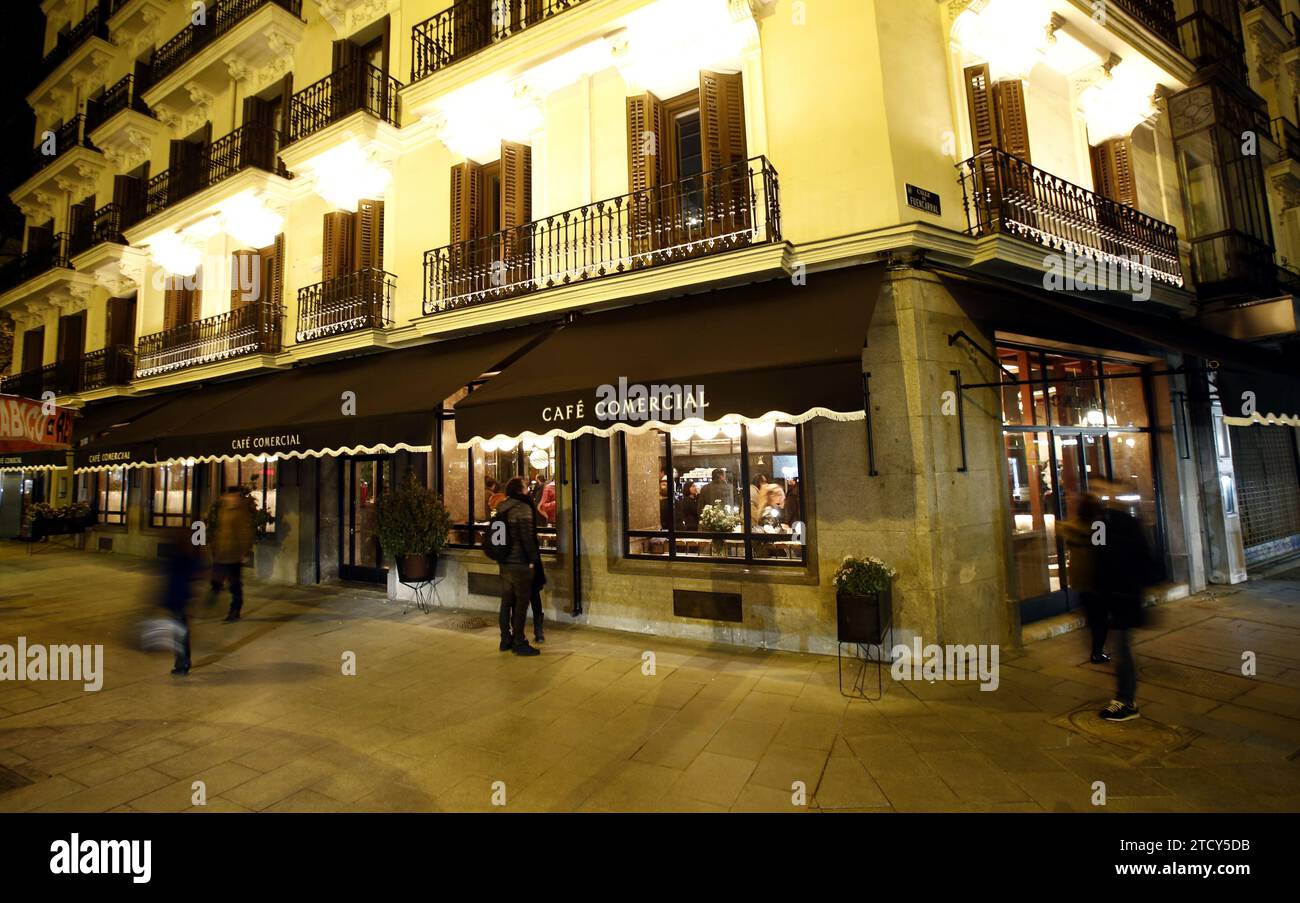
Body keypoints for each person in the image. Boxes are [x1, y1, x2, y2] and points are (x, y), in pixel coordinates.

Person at [1094, 492, 1157, 722]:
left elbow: (1101, 558)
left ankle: (1126, 701)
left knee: (1121, 649)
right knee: (1120, 647)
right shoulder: (1110, 524)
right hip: (1121, 596)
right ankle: (1125, 698)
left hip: (1121, 597)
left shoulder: (1108, 525)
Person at [1061, 490, 1108, 664]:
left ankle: (1096, 649)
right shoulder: (1098, 527)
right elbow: (1100, 552)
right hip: (1096, 578)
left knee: (1093, 617)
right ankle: (1097, 652)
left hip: (1079, 578)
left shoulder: (1071, 526)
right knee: (1101, 619)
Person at [496, 476, 542, 656]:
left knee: (506, 602)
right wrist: (532, 560)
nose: (527, 489)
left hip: (505, 563)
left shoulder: (501, 507)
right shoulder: (523, 508)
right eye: (525, 486)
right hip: (520, 563)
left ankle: (505, 639)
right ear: (520, 489)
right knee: (522, 604)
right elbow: (527, 537)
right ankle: (519, 642)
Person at [211, 487, 254, 622]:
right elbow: (219, 530)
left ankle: (235, 610)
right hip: (222, 553)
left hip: (234, 554)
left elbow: (245, 533)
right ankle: (213, 601)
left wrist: (245, 551)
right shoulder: (223, 510)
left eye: (233, 496)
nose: (230, 499)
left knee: (234, 584)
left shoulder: (241, 512)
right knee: (216, 581)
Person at [160, 529, 199, 675]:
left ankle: (182, 664)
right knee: (180, 632)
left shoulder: (180, 558)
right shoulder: (183, 557)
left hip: (178, 600)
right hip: (179, 599)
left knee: (179, 633)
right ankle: (182, 662)